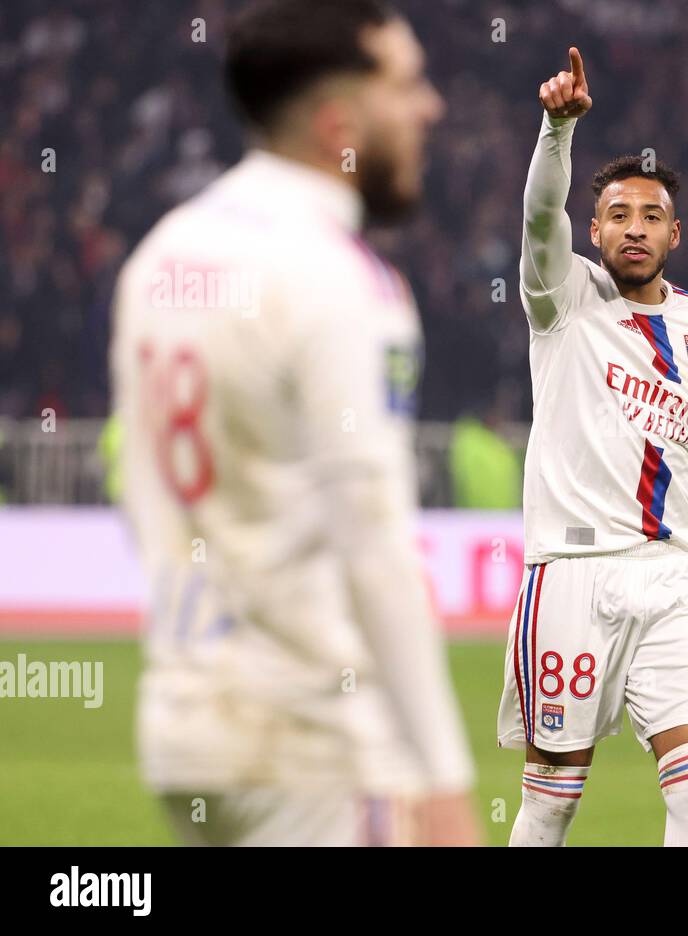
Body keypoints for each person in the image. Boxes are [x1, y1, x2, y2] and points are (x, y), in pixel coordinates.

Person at [110, 0, 478, 846]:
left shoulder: (166, 252)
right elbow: (372, 541)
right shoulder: (340, 281)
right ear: (336, 121)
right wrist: (443, 779)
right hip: (317, 740)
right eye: (407, 84)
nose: (432, 108)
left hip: (187, 722)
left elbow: (145, 488)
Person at [497, 48, 688, 847]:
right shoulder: (561, 298)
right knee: (552, 800)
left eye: (650, 217)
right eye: (617, 216)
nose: (633, 229)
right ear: (594, 228)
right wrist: (556, 130)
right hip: (572, 572)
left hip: (673, 579)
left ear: (676, 232)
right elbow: (540, 216)